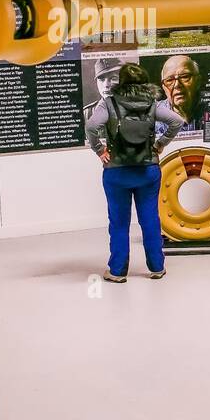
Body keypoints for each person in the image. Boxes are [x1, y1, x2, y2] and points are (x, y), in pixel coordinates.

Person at [85, 64, 185, 283]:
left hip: (116, 172)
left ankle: (118, 271)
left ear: (120, 81)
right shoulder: (152, 103)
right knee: (150, 219)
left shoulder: (108, 103)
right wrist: (160, 144)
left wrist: (99, 150)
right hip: (147, 170)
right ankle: (157, 267)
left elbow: (92, 126)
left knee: (119, 223)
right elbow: (177, 121)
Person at [159, 55, 207, 130]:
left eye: (184, 77)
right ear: (164, 87)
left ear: (198, 81)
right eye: (169, 80)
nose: (177, 85)